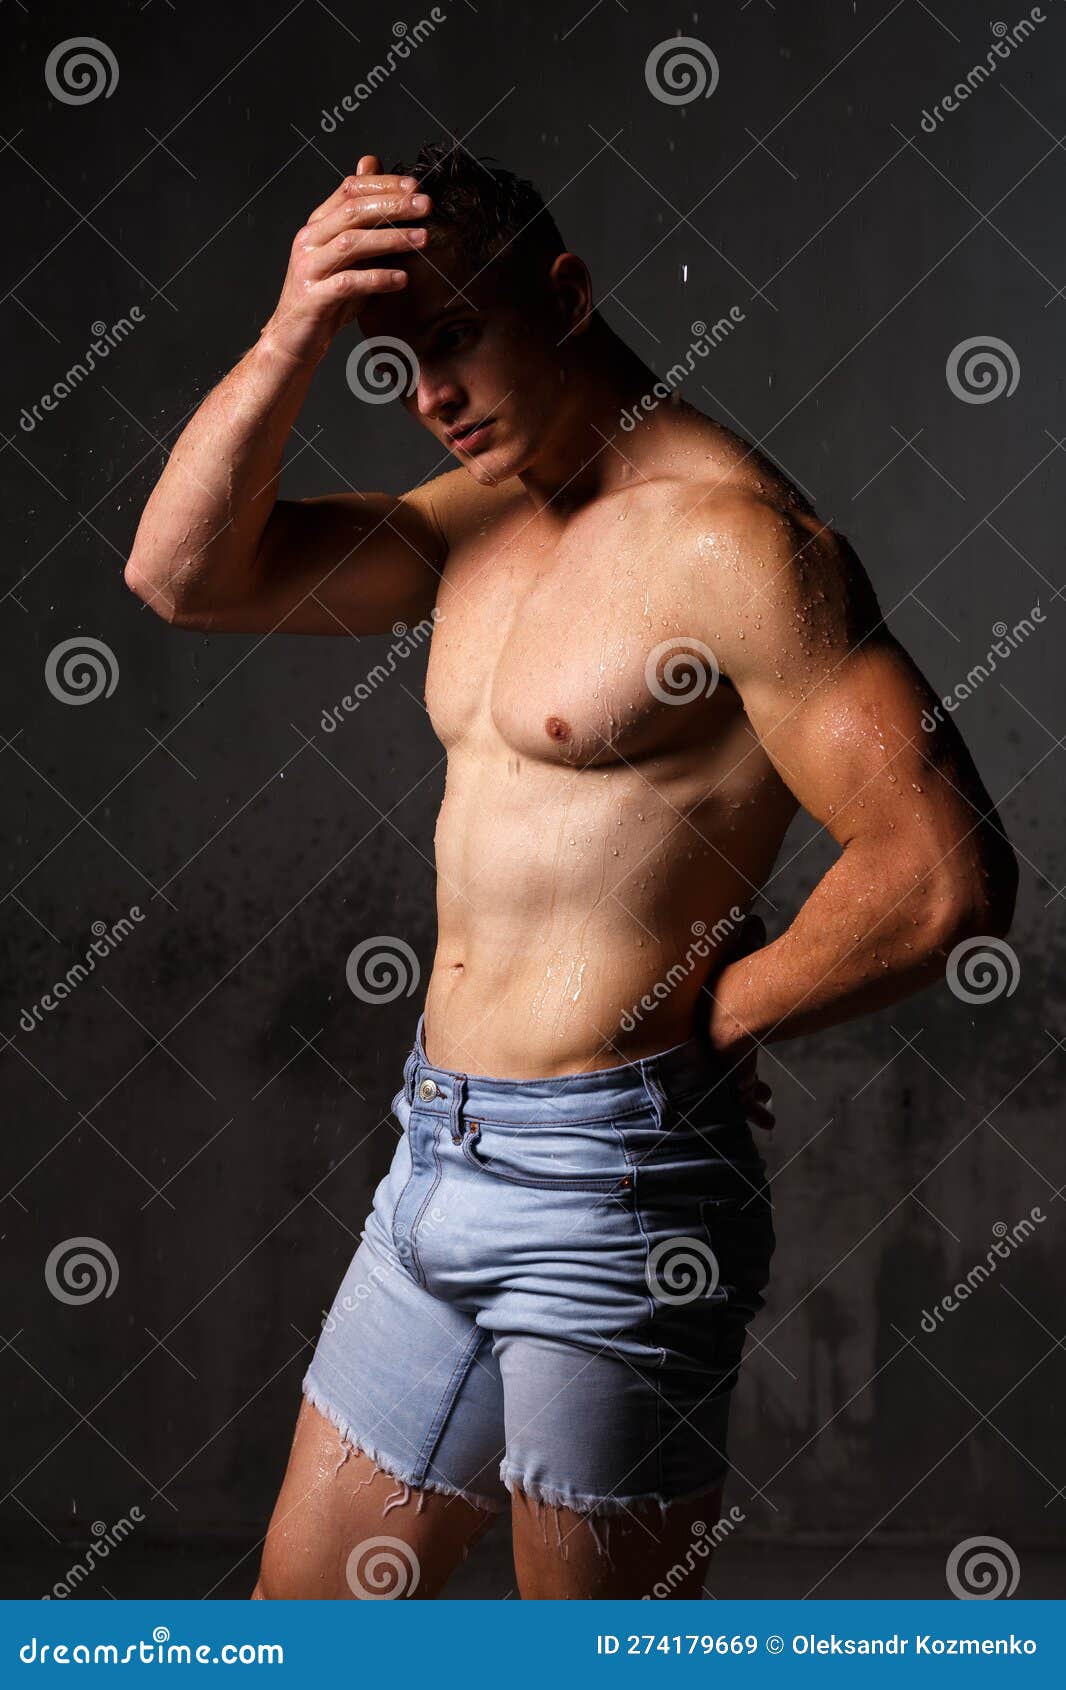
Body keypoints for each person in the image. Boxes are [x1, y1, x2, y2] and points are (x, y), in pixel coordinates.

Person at [125, 142, 1017, 1599]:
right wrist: (293, 325)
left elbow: (941, 876)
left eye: (457, 336)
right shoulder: (468, 525)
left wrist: (713, 1016)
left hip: (617, 1185)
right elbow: (180, 575)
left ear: (567, 293)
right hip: (431, 1153)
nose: (430, 393)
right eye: (396, 358)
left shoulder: (735, 546)